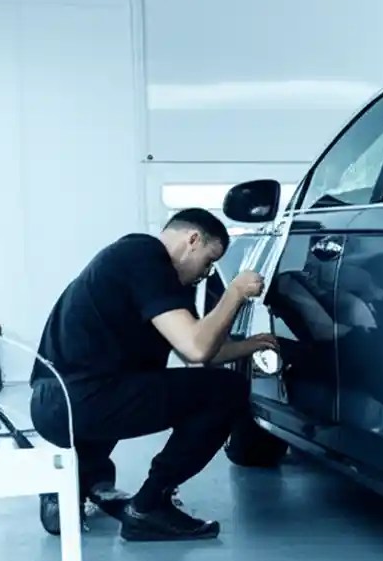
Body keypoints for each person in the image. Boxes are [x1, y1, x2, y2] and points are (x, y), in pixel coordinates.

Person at [29, 208, 282, 541]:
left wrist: (252, 345)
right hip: (84, 401)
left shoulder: (139, 266)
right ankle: (150, 506)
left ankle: (73, 483)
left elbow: (198, 351)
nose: (205, 274)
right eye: (208, 261)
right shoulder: (145, 256)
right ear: (192, 240)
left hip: (55, 402)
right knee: (227, 389)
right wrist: (235, 292)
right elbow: (196, 348)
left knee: (136, 384)